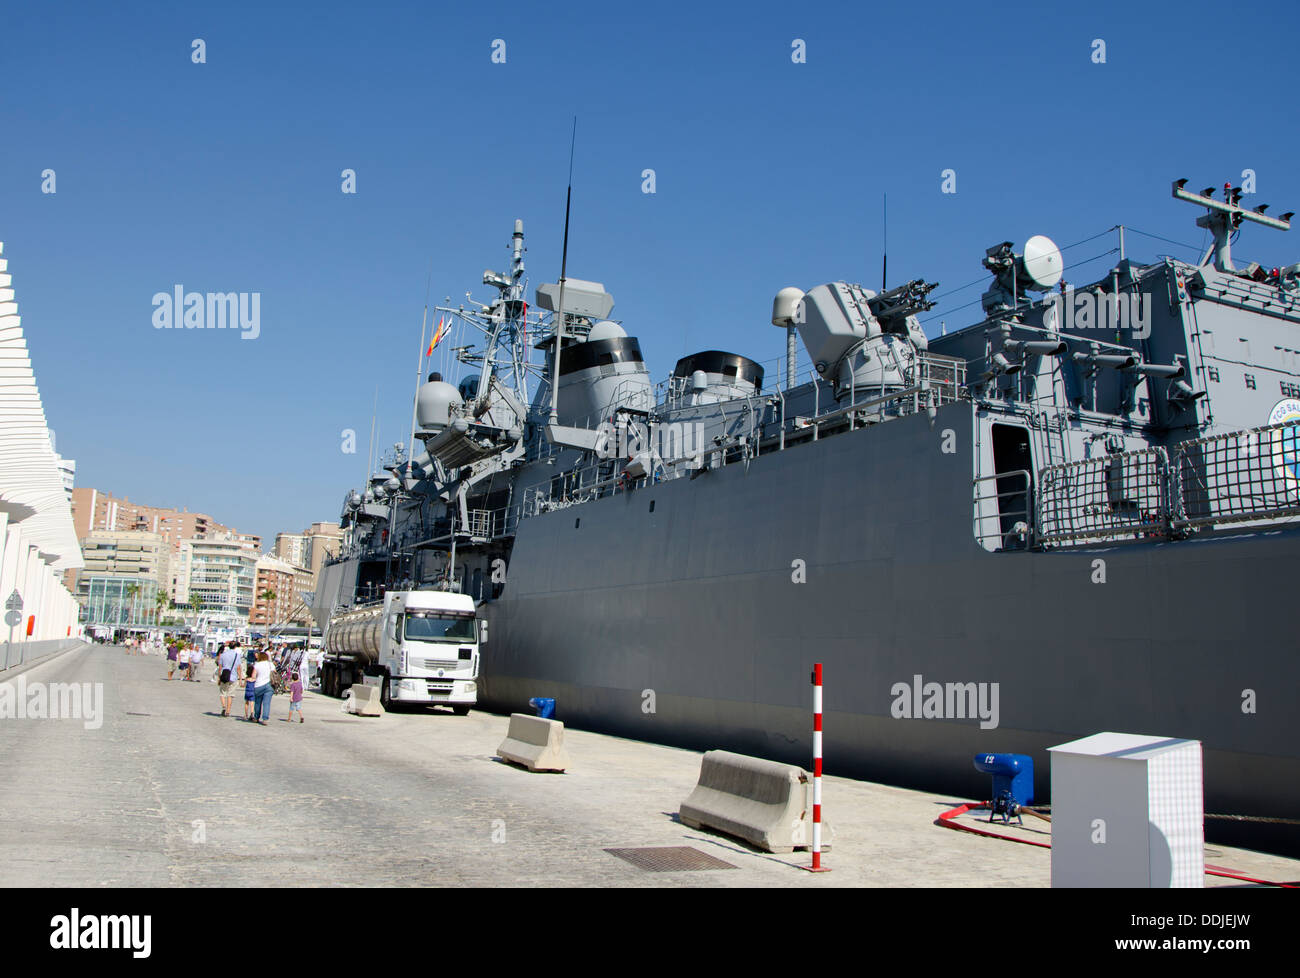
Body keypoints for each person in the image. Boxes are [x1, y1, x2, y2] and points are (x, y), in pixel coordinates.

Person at [216, 643, 242, 717]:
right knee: (230, 694)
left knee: (222, 693)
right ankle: (228, 711)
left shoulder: (223, 655)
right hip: (233, 676)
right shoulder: (237, 655)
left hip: (224, 676)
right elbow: (238, 668)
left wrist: (219, 677)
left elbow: (220, 667)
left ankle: (224, 707)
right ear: (235, 647)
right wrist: (240, 678)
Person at [251, 651, 274, 725]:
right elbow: (274, 673)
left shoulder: (257, 664)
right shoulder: (270, 664)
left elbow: (253, 676)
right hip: (269, 685)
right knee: (266, 703)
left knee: (258, 702)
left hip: (259, 685)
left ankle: (256, 717)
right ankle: (265, 719)